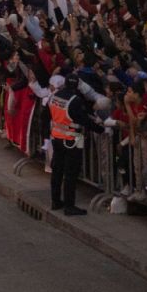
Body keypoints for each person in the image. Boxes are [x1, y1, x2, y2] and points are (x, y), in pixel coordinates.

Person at [48, 74, 112, 215]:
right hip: (73, 139)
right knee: (71, 173)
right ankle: (69, 206)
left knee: (57, 171)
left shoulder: (55, 96)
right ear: (77, 86)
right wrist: (101, 129)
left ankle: (55, 201)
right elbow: (84, 120)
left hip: (56, 137)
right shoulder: (74, 100)